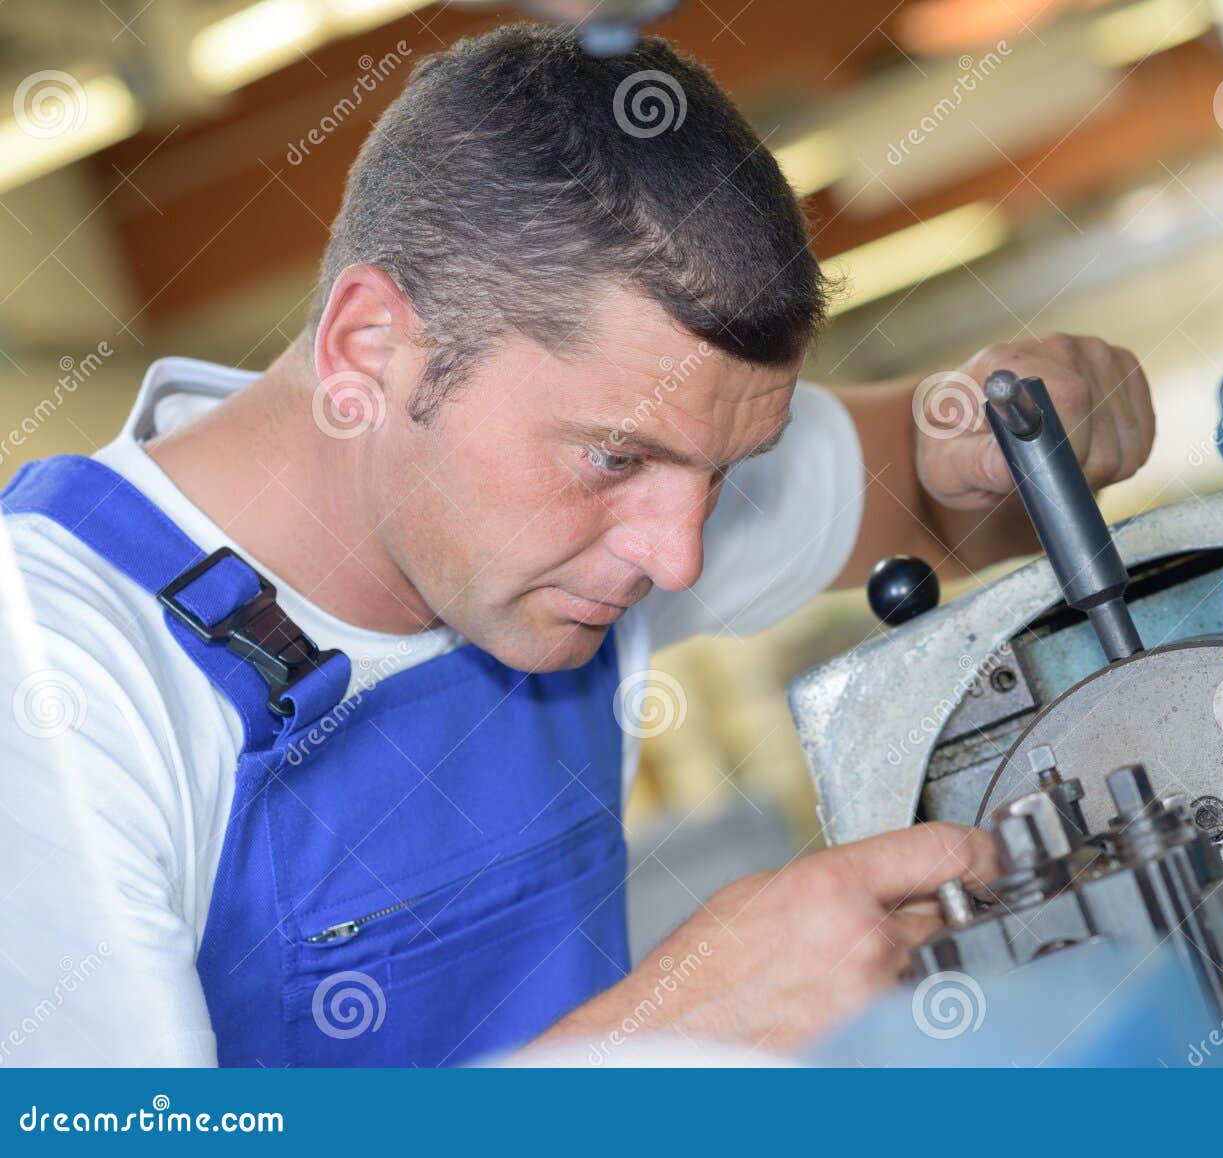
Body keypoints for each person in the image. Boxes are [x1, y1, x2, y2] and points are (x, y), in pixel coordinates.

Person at [0, 24, 1153, 1066]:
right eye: (612, 458)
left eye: (724, 472)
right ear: (367, 349)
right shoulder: (54, 670)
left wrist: (1033, 420)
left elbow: (946, 495)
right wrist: (672, 1034)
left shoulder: (626, 479)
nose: (677, 559)